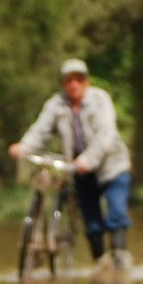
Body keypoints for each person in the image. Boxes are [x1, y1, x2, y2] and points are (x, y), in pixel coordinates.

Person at [9, 58, 133, 271]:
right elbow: (40, 129)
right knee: (91, 222)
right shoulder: (56, 104)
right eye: (68, 80)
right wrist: (24, 147)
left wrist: (88, 159)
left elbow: (106, 134)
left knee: (116, 214)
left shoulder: (100, 100)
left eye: (79, 79)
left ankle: (119, 257)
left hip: (111, 166)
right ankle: (100, 261)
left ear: (86, 82)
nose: (73, 85)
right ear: (63, 83)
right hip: (79, 170)